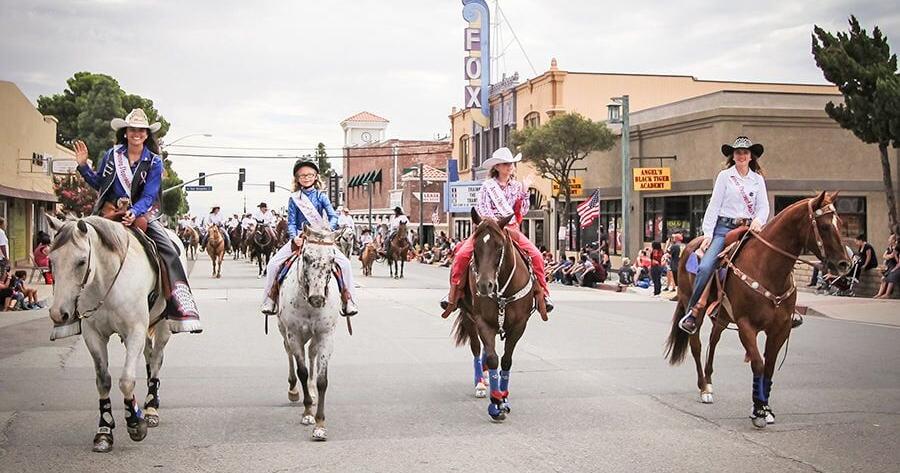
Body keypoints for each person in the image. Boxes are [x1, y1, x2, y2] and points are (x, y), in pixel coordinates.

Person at [74, 108, 201, 333]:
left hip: (141, 214)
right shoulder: (112, 156)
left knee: (169, 249)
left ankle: (180, 304)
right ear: (125, 132)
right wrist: (84, 166)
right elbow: (100, 185)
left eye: (141, 130)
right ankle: (71, 308)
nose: (137, 134)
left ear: (146, 135)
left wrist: (135, 211)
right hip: (110, 213)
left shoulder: (154, 162)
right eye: (133, 129)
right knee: (75, 245)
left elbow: (150, 194)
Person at [440, 148, 553, 318]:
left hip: (511, 228)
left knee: (536, 255)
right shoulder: (487, 186)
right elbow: (482, 207)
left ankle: (543, 294)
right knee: (462, 255)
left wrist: (524, 191)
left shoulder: (516, 187)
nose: (510, 167)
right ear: (497, 167)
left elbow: (522, 210)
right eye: (506, 164)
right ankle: (455, 293)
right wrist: (495, 224)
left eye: (511, 164)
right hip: (488, 227)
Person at [678, 136, 770, 334]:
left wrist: (759, 220)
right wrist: (708, 234)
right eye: (738, 152)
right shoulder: (725, 177)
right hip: (724, 228)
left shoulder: (757, 179)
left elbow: (764, 207)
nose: (742, 155)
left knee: (772, 258)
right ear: (733, 156)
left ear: (751, 156)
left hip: (749, 230)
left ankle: (783, 306)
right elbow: (714, 206)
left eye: (745, 152)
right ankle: (692, 312)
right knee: (705, 266)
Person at [260, 158, 358, 317]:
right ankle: (270, 298)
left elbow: (333, 217)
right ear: (297, 179)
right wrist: (294, 237)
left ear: (315, 176)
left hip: (320, 237)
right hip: (300, 235)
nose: (306, 178)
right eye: (302, 175)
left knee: (345, 264)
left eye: (309, 174)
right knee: (273, 264)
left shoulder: (321, 196)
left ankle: (348, 300)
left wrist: (328, 231)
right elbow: (291, 222)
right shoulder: (294, 198)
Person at [874, 232, 899, 299]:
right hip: (888, 265)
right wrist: (890, 256)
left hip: (894, 266)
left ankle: (887, 294)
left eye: (890, 239)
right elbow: (884, 256)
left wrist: (893, 255)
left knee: (888, 277)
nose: (888, 240)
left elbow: (896, 259)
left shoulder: (897, 248)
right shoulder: (889, 248)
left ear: (894, 240)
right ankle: (879, 294)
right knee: (882, 277)